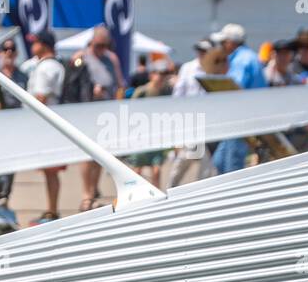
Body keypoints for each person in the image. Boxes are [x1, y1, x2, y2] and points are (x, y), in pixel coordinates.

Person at [62, 25, 125, 210]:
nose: (101, 49)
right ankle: (86, 194)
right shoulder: (81, 57)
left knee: (101, 155)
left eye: (105, 45)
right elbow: (71, 83)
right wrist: (91, 89)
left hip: (106, 112)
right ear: (91, 43)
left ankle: (94, 189)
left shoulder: (111, 59)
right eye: (98, 45)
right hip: (86, 111)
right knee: (87, 154)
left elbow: (119, 84)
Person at [166, 39, 226, 187]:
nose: (201, 54)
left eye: (204, 51)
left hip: (210, 124)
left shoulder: (217, 70)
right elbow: (178, 95)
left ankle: (199, 192)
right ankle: (170, 189)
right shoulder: (188, 68)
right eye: (199, 51)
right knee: (185, 159)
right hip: (192, 122)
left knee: (205, 164)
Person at [212, 23, 266, 173]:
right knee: (220, 162)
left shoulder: (240, 60)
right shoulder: (249, 56)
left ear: (231, 42)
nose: (221, 46)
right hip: (245, 118)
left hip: (240, 120)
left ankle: (231, 196)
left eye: (223, 42)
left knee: (231, 167)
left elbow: (233, 88)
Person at [24, 30, 65, 222]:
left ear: (45, 45)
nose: (33, 46)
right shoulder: (49, 65)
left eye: (36, 42)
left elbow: (41, 97)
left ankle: (52, 211)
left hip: (47, 124)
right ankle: (51, 210)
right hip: (50, 123)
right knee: (49, 171)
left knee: (51, 170)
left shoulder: (46, 67)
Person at [128, 59, 173, 187]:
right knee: (137, 169)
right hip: (140, 136)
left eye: (165, 74)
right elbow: (130, 112)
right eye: (160, 73)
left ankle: (156, 197)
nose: (162, 77)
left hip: (157, 137)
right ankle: (133, 194)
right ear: (152, 74)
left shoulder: (167, 91)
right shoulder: (142, 91)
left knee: (157, 170)